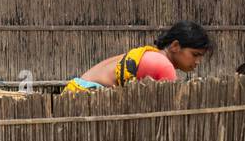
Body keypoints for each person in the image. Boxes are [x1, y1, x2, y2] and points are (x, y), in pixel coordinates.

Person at [64, 21, 211, 92]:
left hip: (75, 89)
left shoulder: (150, 54)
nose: (198, 62)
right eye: (195, 54)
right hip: (85, 95)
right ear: (175, 46)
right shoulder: (163, 65)